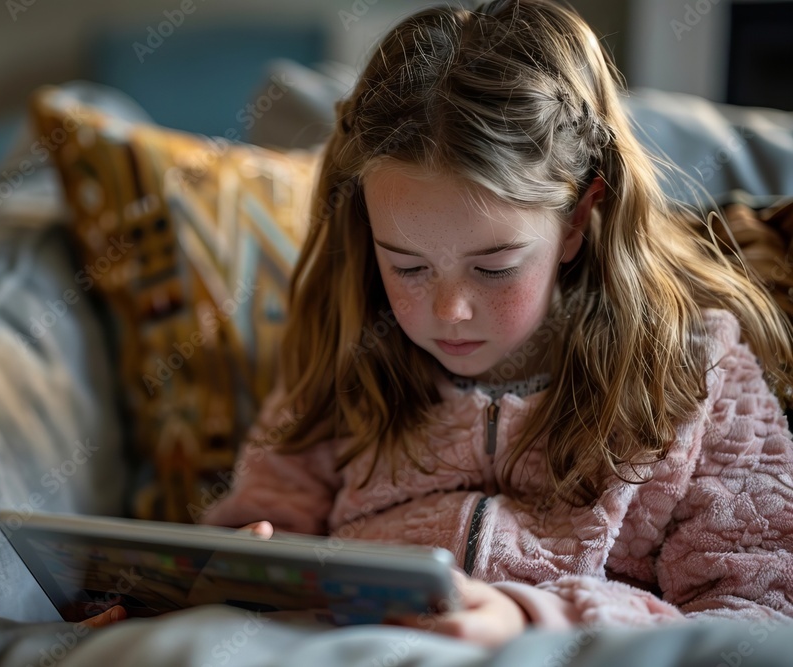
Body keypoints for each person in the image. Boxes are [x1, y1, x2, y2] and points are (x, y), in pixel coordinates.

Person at [87, 0, 793, 645]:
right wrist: (208, 585)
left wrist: (530, 615)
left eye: (493, 267)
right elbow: (269, 529)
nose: (448, 311)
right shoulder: (351, 350)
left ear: (579, 216)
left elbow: (759, 615)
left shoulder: (695, 370)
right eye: (408, 265)